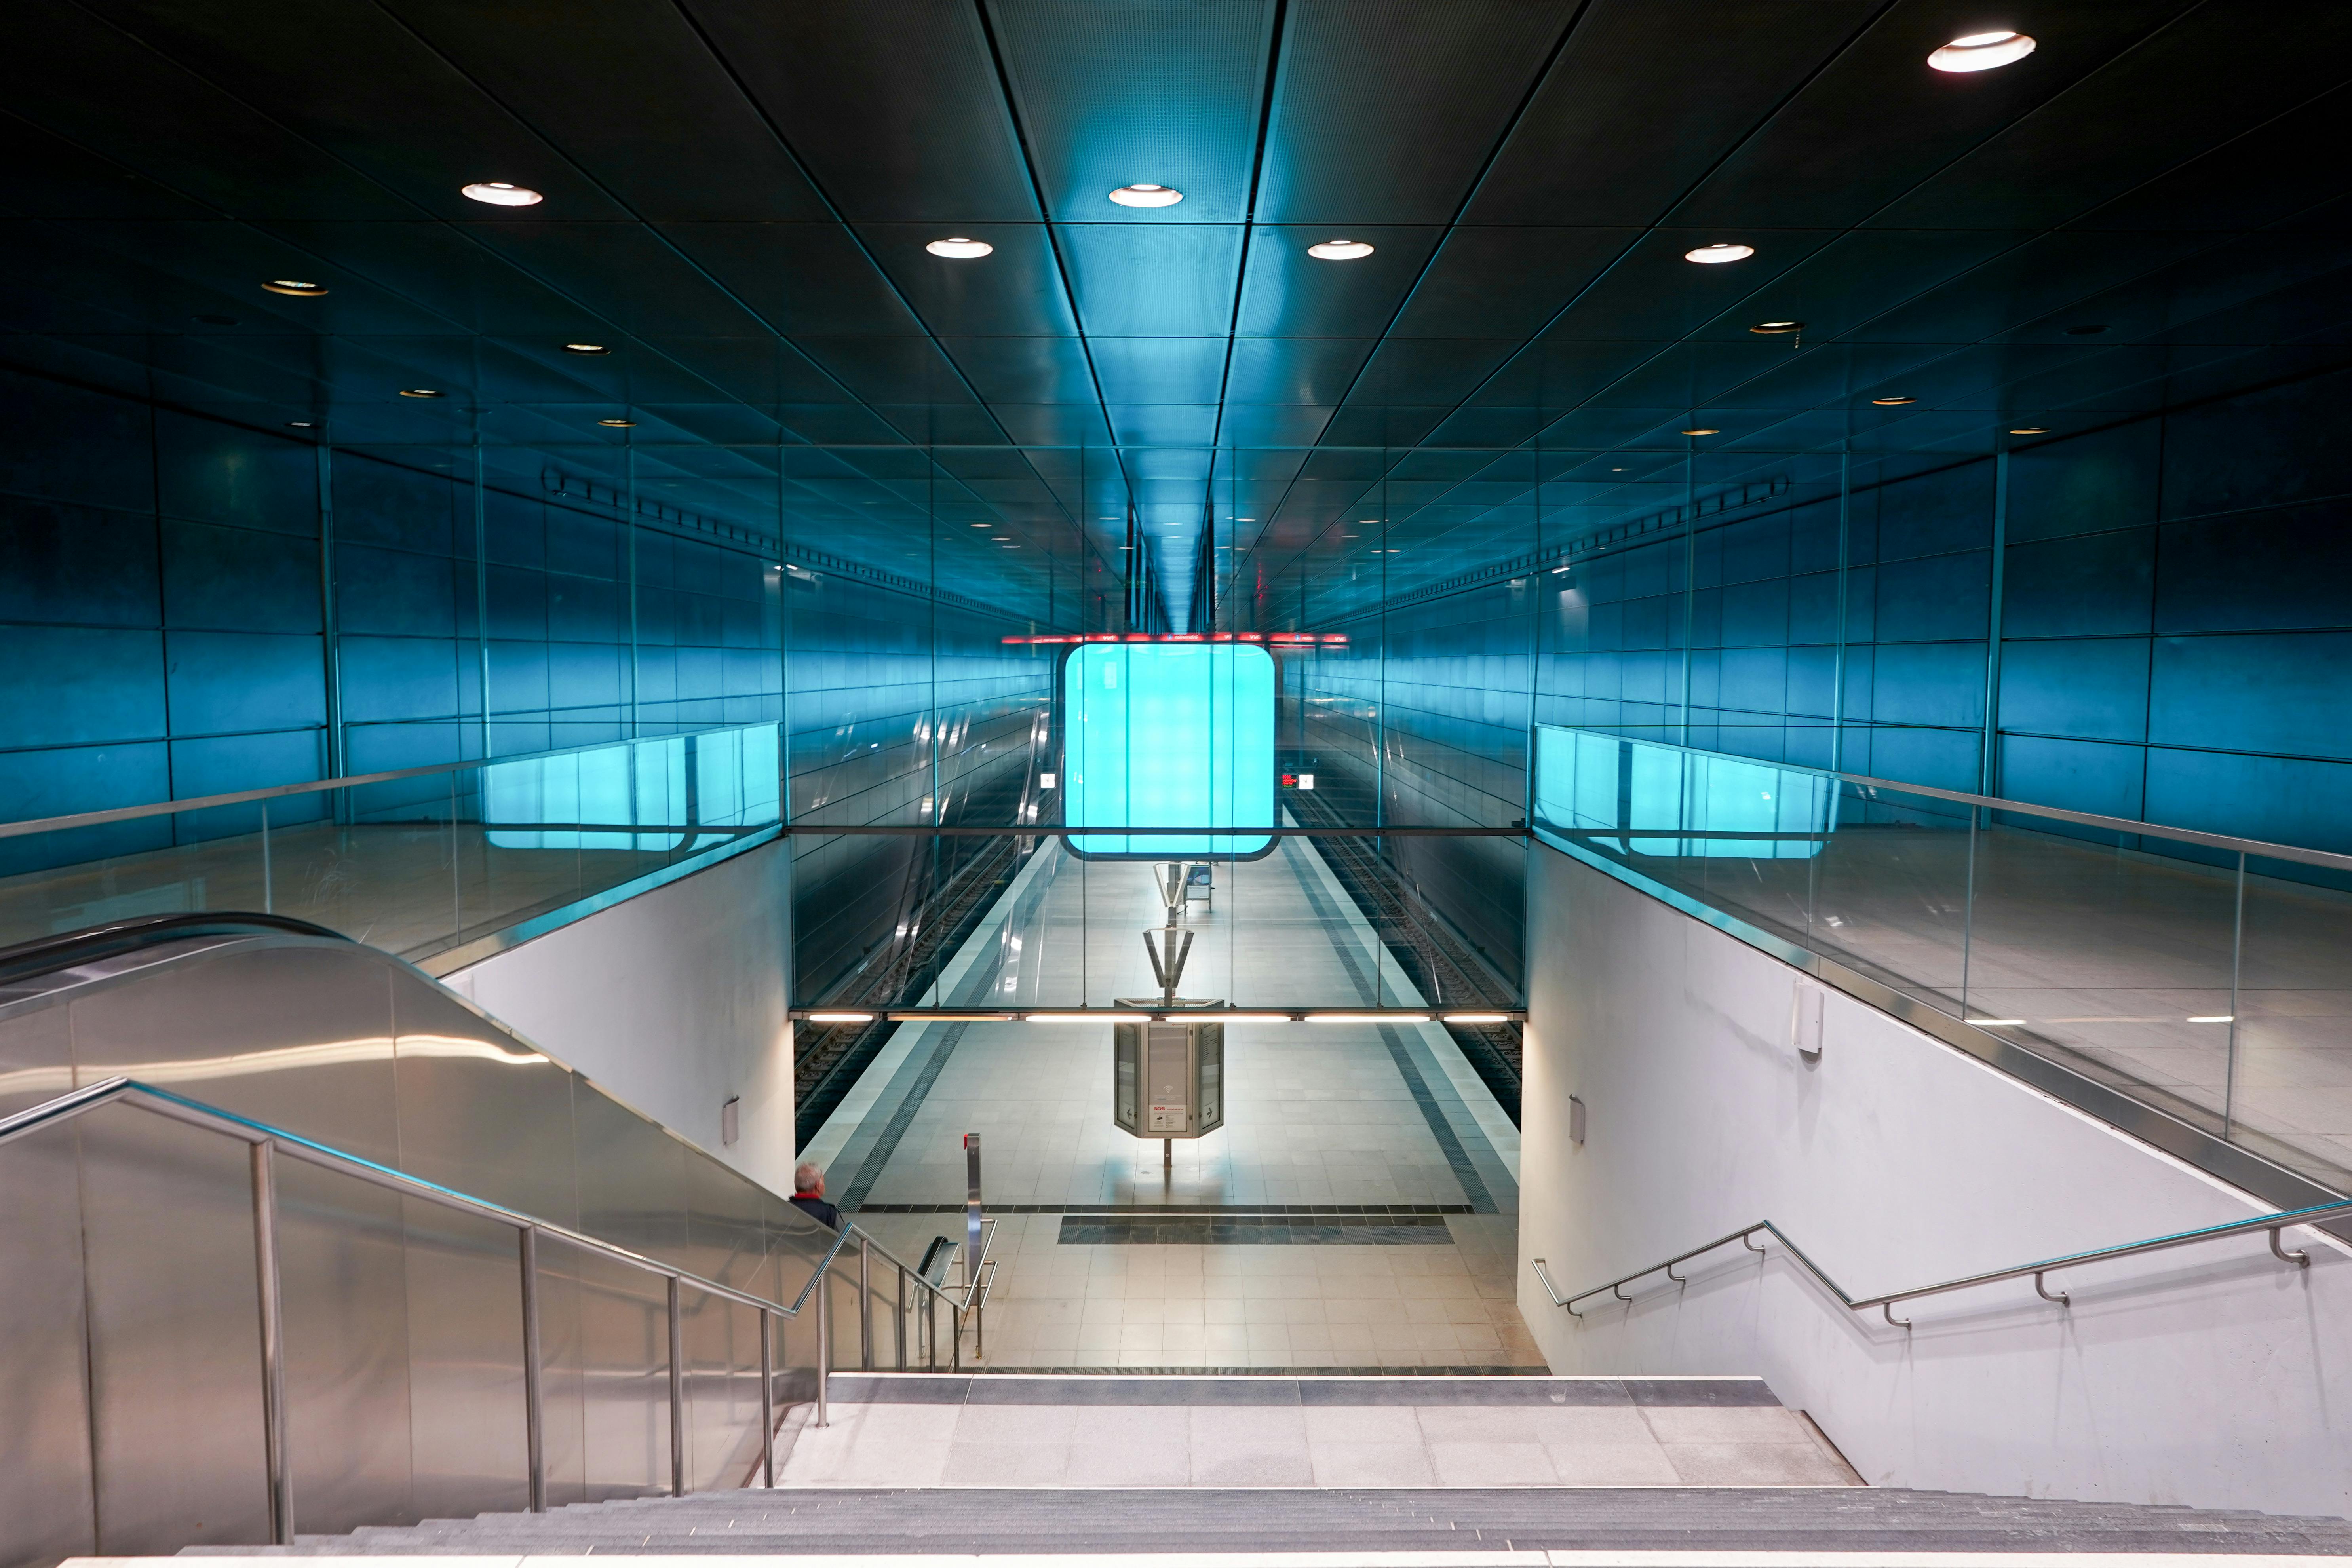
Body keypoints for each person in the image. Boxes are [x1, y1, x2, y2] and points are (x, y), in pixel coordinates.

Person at [790, 1160, 840, 1231]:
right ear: (818, 1186)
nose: (824, 1185)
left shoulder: (781, 1207)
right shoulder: (830, 1214)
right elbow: (848, 1239)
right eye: (823, 1182)